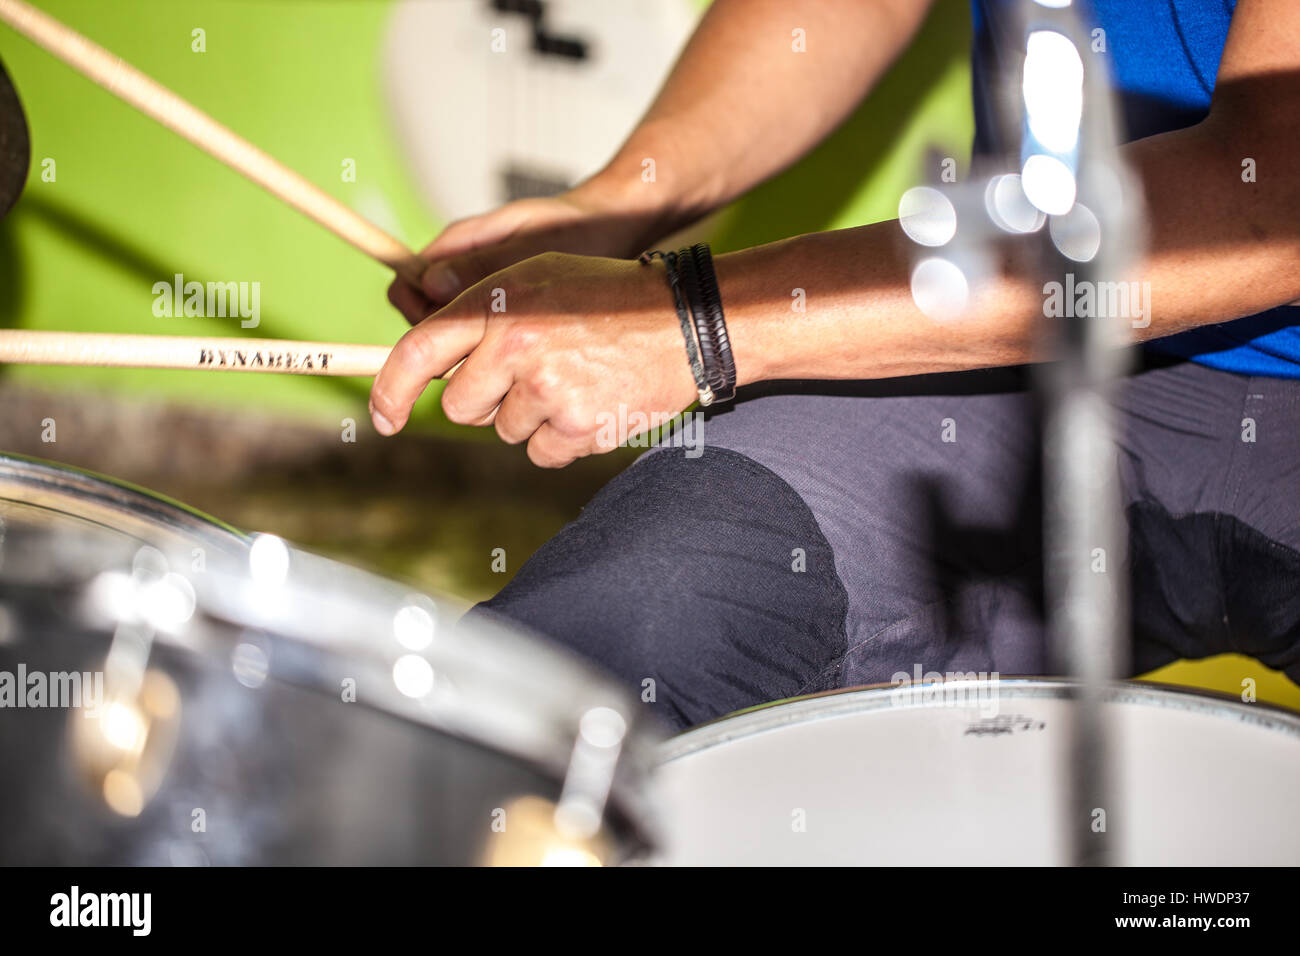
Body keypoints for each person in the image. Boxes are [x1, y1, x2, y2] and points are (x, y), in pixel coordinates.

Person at [370, 0, 1300, 731]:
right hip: (1014, 344)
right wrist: (613, 209)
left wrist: (695, 318)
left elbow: (1275, 180)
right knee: (585, 653)